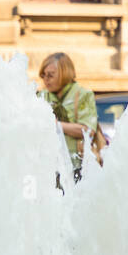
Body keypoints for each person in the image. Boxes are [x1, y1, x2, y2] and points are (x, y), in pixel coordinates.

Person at [38, 52, 100, 181]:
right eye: (43, 75)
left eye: (51, 75)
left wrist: (56, 125)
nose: (46, 79)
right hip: (48, 167)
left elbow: (88, 130)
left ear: (64, 74)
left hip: (77, 166)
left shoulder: (83, 95)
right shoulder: (41, 96)